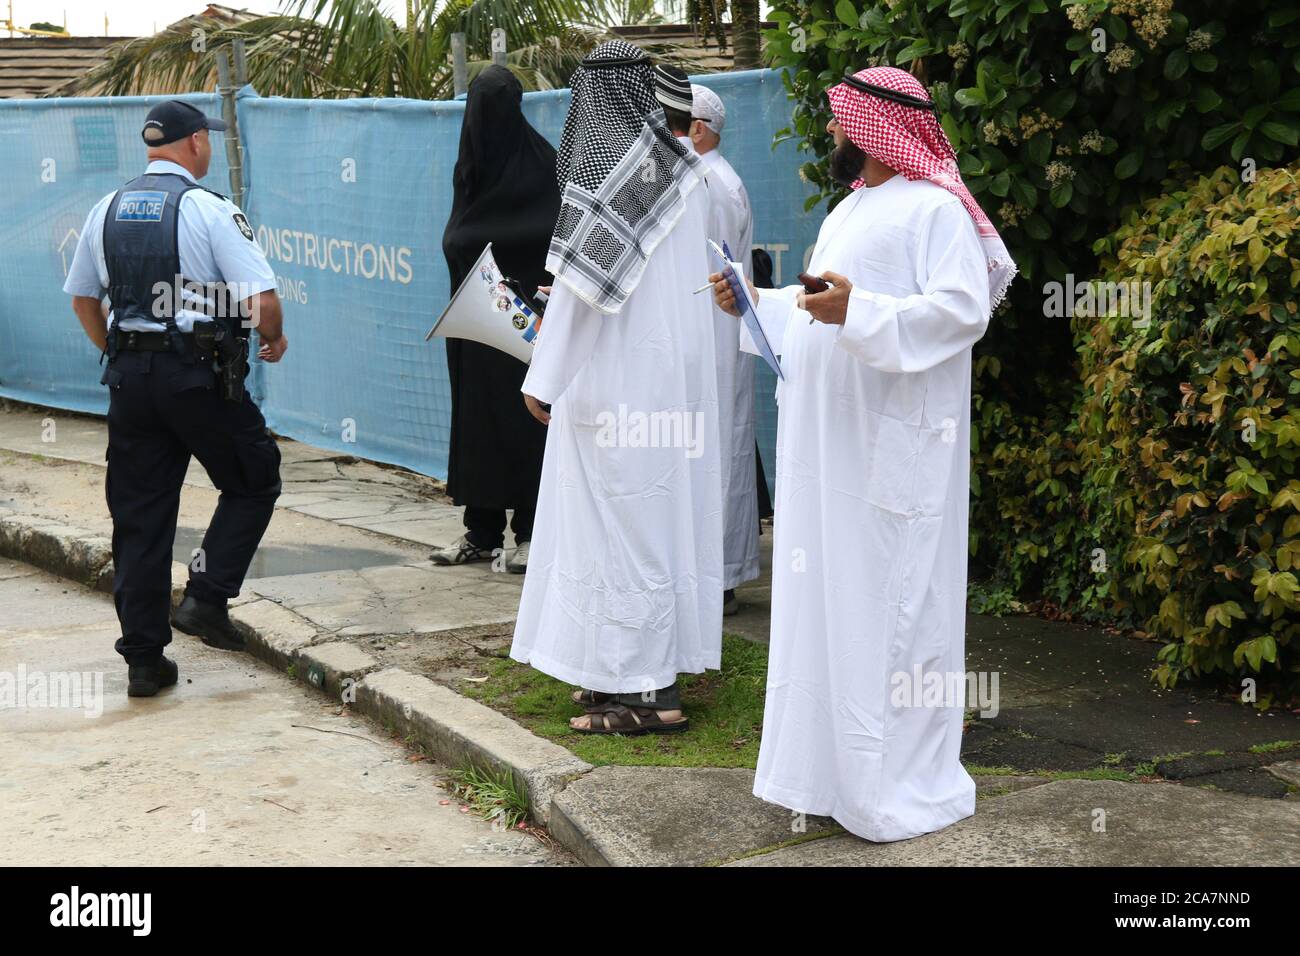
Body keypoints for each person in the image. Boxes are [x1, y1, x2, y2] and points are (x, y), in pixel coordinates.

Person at [711, 67, 1016, 841]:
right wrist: (757, 301)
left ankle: (899, 790)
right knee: (829, 614)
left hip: (892, 454)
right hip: (829, 454)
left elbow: (959, 311)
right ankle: (832, 778)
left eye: (843, 123)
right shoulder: (853, 210)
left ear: (878, 126)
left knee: (893, 617)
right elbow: (826, 305)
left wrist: (860, 310)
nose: (835, 136)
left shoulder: (936, 210)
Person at [510, 41, 723, 734]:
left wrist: (542, 377)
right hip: (667, 385)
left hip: (620, 389)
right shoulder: (685, 173)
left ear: (603, 97)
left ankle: (647, 693)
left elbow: (577, 296)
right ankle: (622, 670)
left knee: (629, 533)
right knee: (650, 528)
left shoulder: (615, 182)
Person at [63, 100, 287, 698]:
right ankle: (206, 598)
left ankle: (143, 661)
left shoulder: (104, 208)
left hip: (131, 383)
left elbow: (84, 299)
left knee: (140, 518)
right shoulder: (210, 210)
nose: (208, 148)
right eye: (205, 139)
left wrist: (116, 348)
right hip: (198, 378)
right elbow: (261, 304)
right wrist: (274, 337)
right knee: (254, 477)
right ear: (193, 145)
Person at [432, 65, 558, 574]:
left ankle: (529, 532)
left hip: (525, 323)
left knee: (525, 422)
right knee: (476, 422)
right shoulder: (471, 168)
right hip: (472, 323)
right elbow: (459, 235)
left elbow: (552, 240)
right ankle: (480, 531)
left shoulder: (544, 165)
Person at [686, 82, 762, 612]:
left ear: (697, 130)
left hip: (713, 330)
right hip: (721, 330)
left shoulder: (707, 181)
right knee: (722, 445)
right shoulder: (723, 178)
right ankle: (721, 573)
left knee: (715, 448)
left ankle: (717, 575)